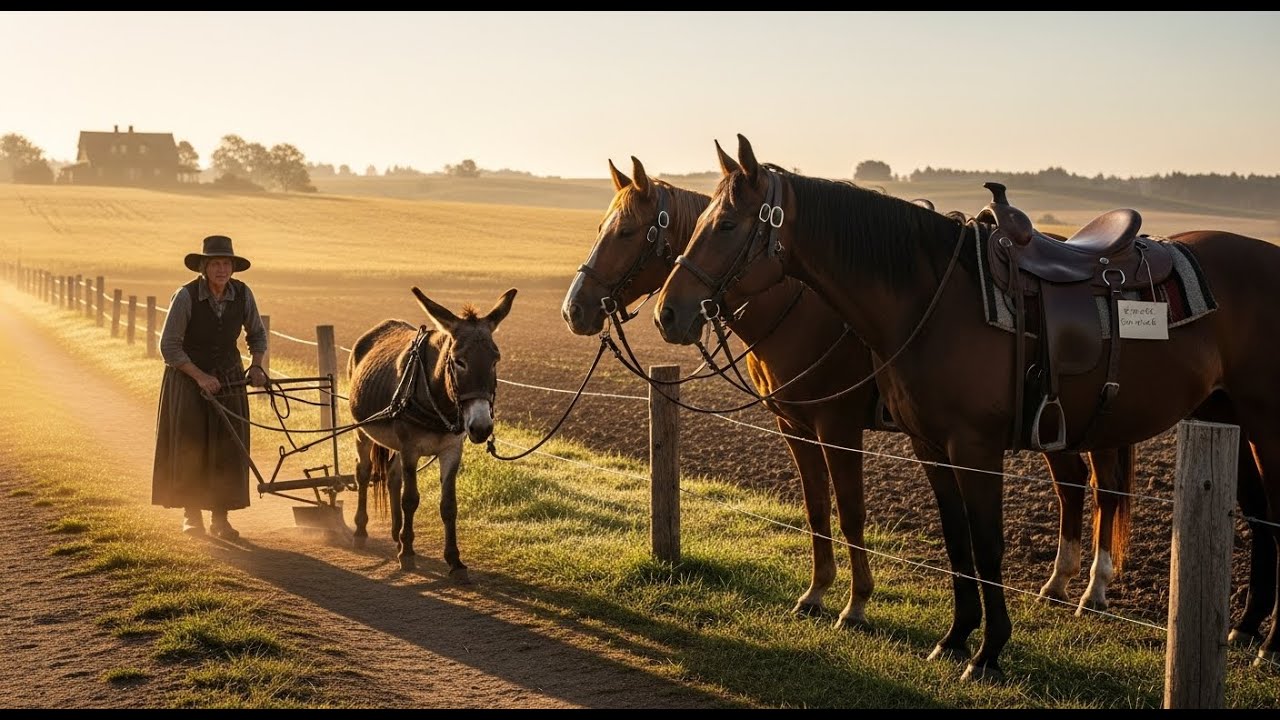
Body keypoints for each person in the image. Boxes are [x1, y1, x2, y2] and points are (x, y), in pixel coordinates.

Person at [151, 235, 268, 539]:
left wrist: (256, 366)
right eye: (215, 263)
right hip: (188, 381)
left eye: (226, 263)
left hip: (229, 379)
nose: (221, 269)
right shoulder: (186, 296)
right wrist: (200, 376)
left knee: (228, 446)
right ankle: (192, 515)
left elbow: (257, 334)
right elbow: (169, 347)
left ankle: (221, 517)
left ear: (233, 267)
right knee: (192, 445)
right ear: (203, 267)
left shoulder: (242, 294)